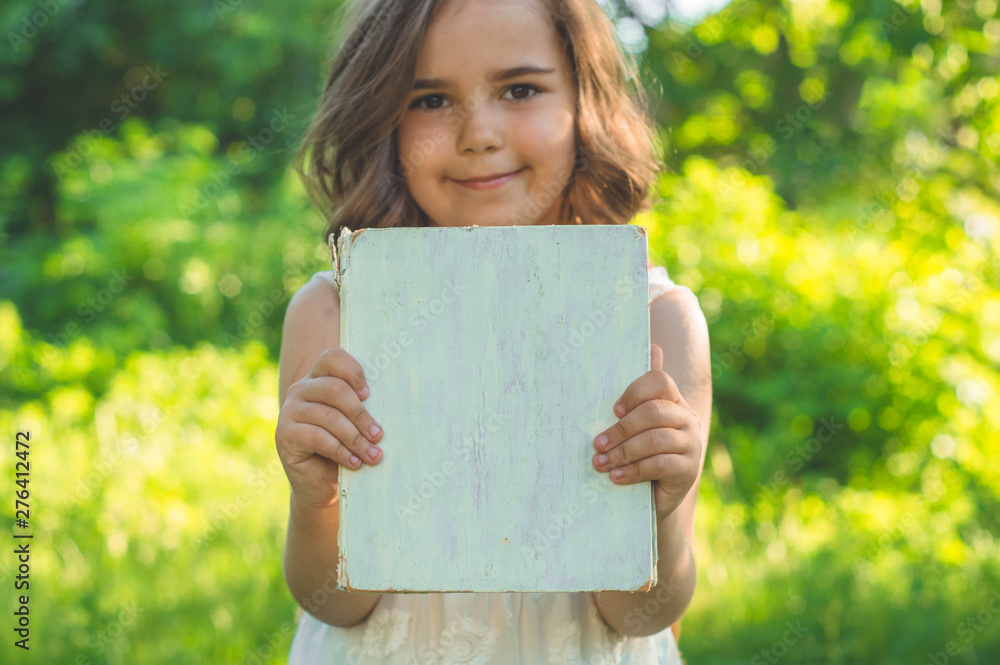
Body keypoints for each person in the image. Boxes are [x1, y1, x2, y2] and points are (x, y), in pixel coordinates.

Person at [274, 0, 713, 662]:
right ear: (381, 117)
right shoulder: (336, 316)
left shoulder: (653, 321)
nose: (478, 132)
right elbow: (332, 600)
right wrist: (316, 501)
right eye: (428, 100)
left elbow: (642, 611)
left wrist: (661, 510)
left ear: (583, 103)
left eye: (520, 89)